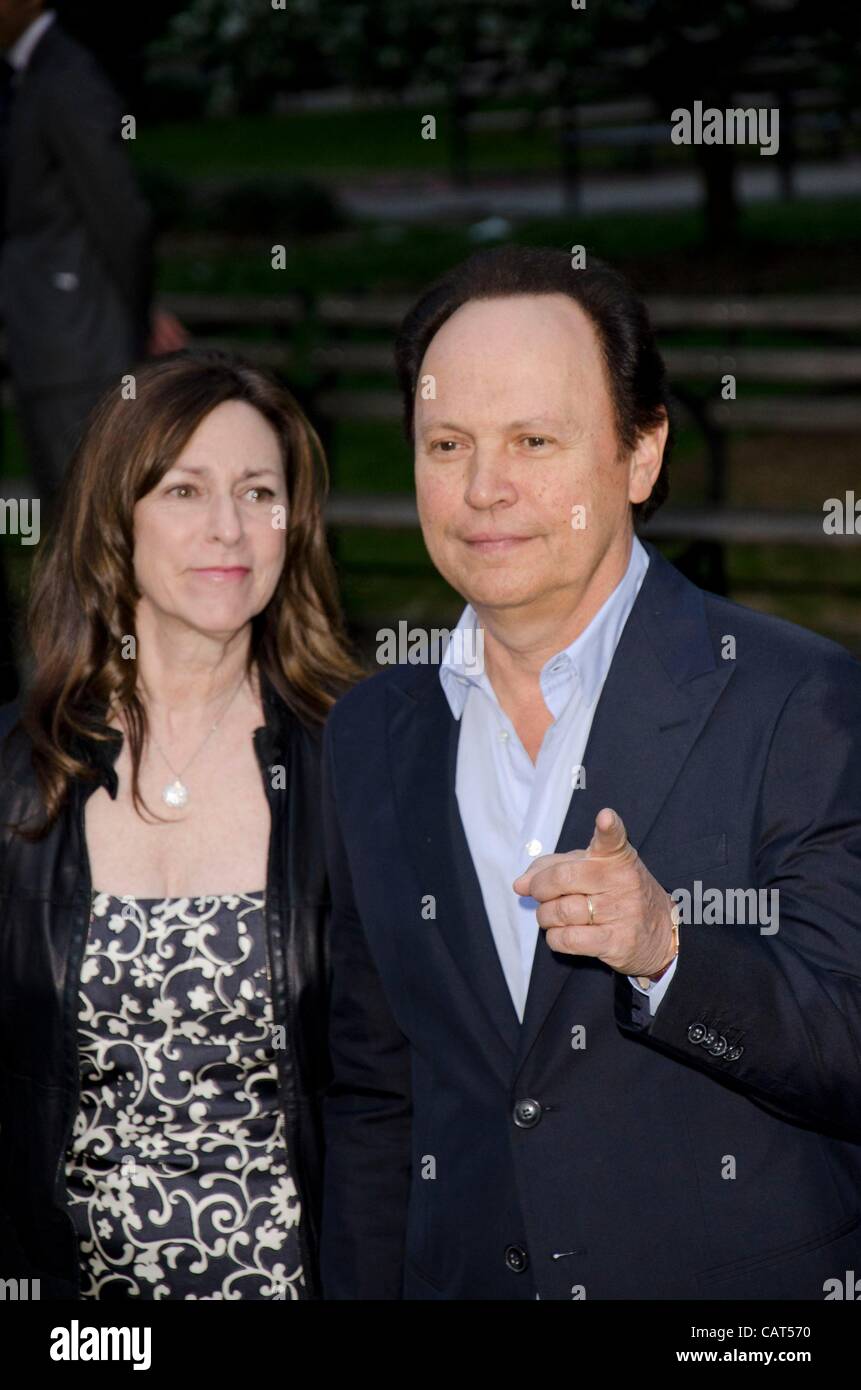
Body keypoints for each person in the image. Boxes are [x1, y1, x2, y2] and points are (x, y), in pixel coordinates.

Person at [319, 245, 861, 1300]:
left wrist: (668, 952)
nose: (484, 488)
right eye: (447, 442)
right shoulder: (372, 731)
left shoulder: (799, 700)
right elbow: (378, 1092)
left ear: (641, 454)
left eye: (534, 439)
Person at [0, 349, 361, 1300]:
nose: (229, 529)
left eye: (258, 491)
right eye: (184, 491)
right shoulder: (18, 776)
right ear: (116, 518)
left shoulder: (362, 766)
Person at [0, 1, 186, 514]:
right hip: (55, 339)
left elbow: (120, 212)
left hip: (76, 347)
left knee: (86, 517)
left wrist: (133, 313)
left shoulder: (65, 76)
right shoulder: (33, 75)